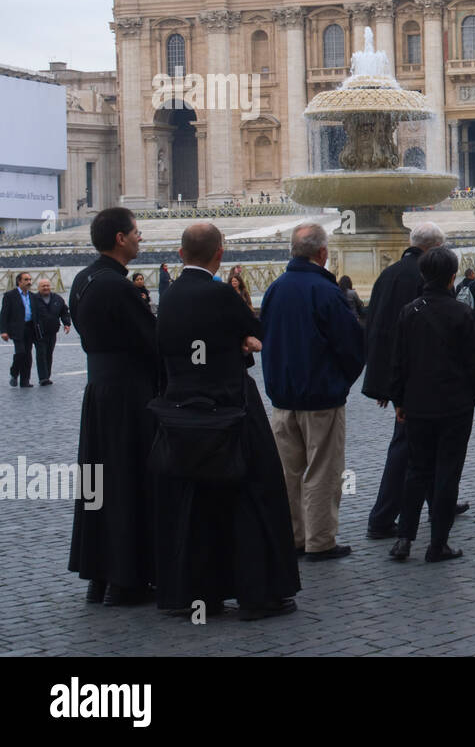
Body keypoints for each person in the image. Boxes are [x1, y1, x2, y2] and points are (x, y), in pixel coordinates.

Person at [153, 222, 300, 620]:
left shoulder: (168, 296)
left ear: (181, 255)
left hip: (183, 410)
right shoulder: (220, 293)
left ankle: (197, 593)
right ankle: (258, 594)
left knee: (195, 505)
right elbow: (254, 332)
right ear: (219, 254)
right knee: (253, 496)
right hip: (230, 406)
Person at [67, 207, 158, 605]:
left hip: (98, 392)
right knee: (128, 483)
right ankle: (127, 580)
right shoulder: (119, 288)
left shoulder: (82, 280)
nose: (140, 238)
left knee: (98, 487)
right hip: (130, 397)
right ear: (120, 239)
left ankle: (99, 576)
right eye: (136, 232)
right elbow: (150, 342)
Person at [260, 222, 366, 560]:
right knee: (322, 470)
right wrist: (340, 382)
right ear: (322, 254)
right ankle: (321, 541)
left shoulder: (275, 289)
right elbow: (351, 344)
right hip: (321, 396)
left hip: (282, 399)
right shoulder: (325, 291)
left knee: (287, 473)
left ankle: (294, 536)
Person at [387, 246, 475, 563]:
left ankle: (404, 539)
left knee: (416, 471)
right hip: (454, 404)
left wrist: (399, 400)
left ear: (422, 275)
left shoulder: (409, 311)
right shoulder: (460, 313)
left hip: (418, 403)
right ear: (453, 276)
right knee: (447, 472)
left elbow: (399, 361)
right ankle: (438, 543)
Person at [361, 223, 464, 540]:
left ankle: (439, 505)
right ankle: (382, 518)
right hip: (418, 379)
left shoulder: (388, 274)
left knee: (418, 444)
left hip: (396, 374)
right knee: (406, 447)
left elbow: (374, 328)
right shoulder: (425, 279)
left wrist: (381, 382)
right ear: (434, 250)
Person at [31, 278, 71, 386]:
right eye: (43, 286)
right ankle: (43, 378)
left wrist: (67, 323)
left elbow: (64, 312)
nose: (45, 288)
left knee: (49, 353)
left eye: (47, 286)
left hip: (52, 331)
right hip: (38, 332)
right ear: (38, 288)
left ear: (51, 286)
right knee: (41, 354)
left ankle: (47, 375)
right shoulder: (33, 299)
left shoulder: (57, 298)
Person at [1, 271, 37, 388]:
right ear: (19, 281)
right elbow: (4, 314)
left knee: (28, 355)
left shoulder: (32, 296)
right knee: (20, 352)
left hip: (30, 328)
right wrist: (3, 331)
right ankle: (14, 373)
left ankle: (25, 381)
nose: (29, 282)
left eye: (30, 280)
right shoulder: (10, 295)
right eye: (26, 280)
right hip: (17, 329)